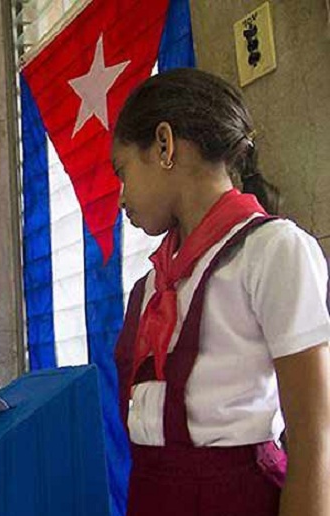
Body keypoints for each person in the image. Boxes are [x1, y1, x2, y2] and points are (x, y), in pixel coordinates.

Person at [112, 68, 330, 516]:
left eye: (123, 171)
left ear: (164, 145)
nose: (121, 197)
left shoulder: (272, 250)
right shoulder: (149, 286)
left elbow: (314, 440)